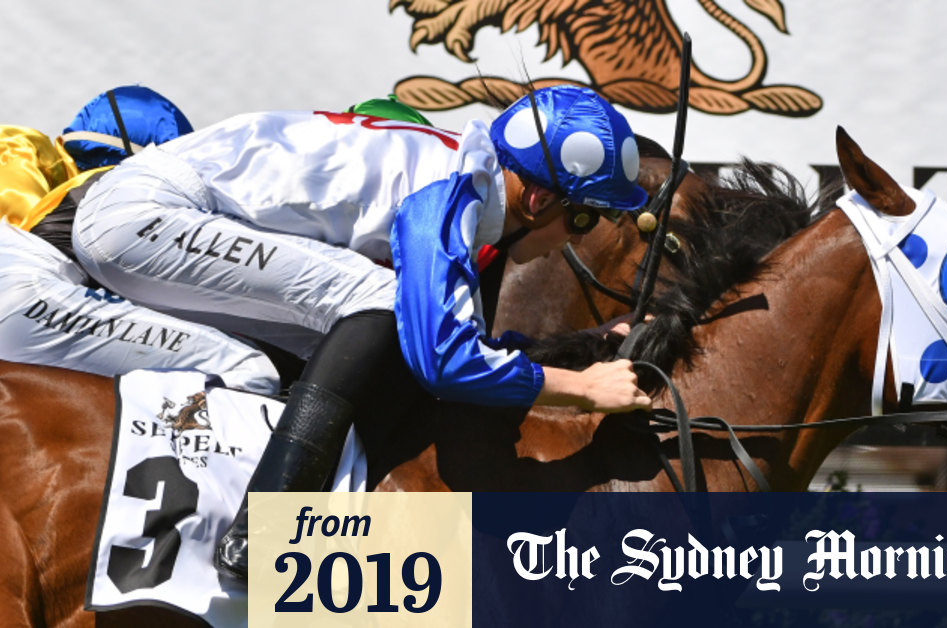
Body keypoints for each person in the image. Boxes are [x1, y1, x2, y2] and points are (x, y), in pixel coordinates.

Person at [67, 84, 653, 579]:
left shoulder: (460, 183)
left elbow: (457, 346)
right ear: (539, 196)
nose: (581, 238)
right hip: (144, 214)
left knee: (374, 346)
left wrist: (589, 347)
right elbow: (445, 362)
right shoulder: (451, 188)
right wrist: (583, 390)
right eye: (584, 218)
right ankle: (265, 534)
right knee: (384, 301)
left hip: (152, 219)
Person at [0, 86, 280, 394]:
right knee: (247, 368)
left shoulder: (59, 184)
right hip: (21, 294)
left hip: (26, 299)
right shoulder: (21, 151)